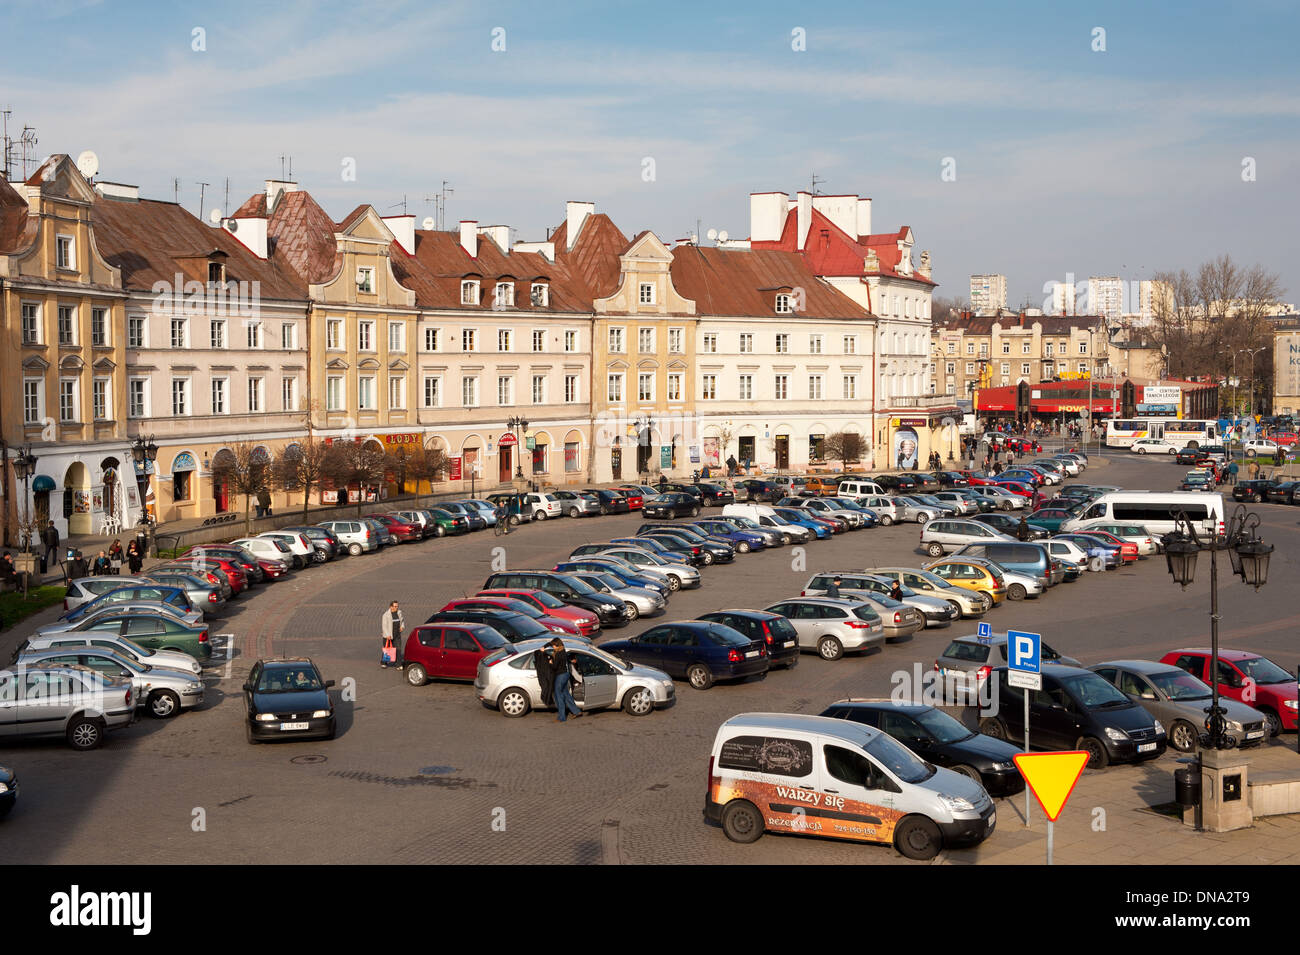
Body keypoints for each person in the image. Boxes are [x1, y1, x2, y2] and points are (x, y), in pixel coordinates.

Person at [549, 638, 581, 722]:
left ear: (557, 645)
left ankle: (561, 717)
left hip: (560, 675)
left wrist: (551, 663)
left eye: (553, 645)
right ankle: (576, 711)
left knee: (558, 695)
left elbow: (555, 667)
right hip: (566, 674)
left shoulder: (558, 654)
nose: (553, 647)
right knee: (565, 693)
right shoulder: (564, 651)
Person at [380, 600, 405, 669]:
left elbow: (402, 621)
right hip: (388, 635)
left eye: (397, 606)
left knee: (398, 649)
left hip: (397, 635)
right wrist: (387, 634)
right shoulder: (386, 615)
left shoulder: (399, 613)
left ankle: (398, 665)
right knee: (387, 649)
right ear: (391, 607)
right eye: (395, 606)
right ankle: (383, 662)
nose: (396, 608)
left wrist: (402, 626)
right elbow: (384, 626)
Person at [533, 642, 556, 708]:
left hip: (546, 675)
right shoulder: (540, 655)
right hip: (545, 675)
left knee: (547, 687)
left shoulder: (544, 655)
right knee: (547, 687)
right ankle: (547, 700)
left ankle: (548, 700)